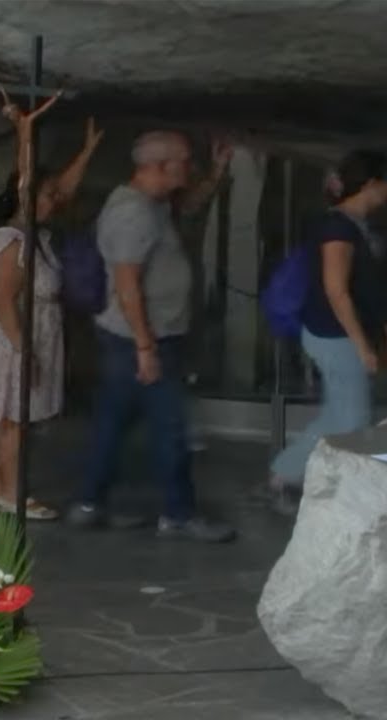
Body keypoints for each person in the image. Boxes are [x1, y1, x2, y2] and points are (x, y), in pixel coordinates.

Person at [70, 130, 236, 542]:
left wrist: (217, 172)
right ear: (159, 166)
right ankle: (179, 513)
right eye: (184, 161)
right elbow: (127, 285)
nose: (189, 167)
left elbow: (191, 205)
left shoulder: (153, 204)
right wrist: (146, 347)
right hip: (141, 342)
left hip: (133, 340)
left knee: (112, 423)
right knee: (171, 427)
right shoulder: (134, 213)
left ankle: (89, 503)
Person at [0, 117, 105, 520]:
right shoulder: (13, 244)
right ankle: (11, 492)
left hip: (20, 337)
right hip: (18, 338)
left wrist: (86, 153)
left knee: (5, 418)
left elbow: (60, 190)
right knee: (15, 420)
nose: (55, 201)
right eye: (45, 196)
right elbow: (2, 299)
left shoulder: (30, 236)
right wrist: (25, 350)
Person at [268, 151, 387, 495]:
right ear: (372, 184)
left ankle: (287, 474)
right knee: (350, 418)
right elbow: (337, 292)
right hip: (336, 336)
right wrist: (363, 346)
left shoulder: (353, 224)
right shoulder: (339, 228)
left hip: (341, 334)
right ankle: (287, 474)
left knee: (340, 413)